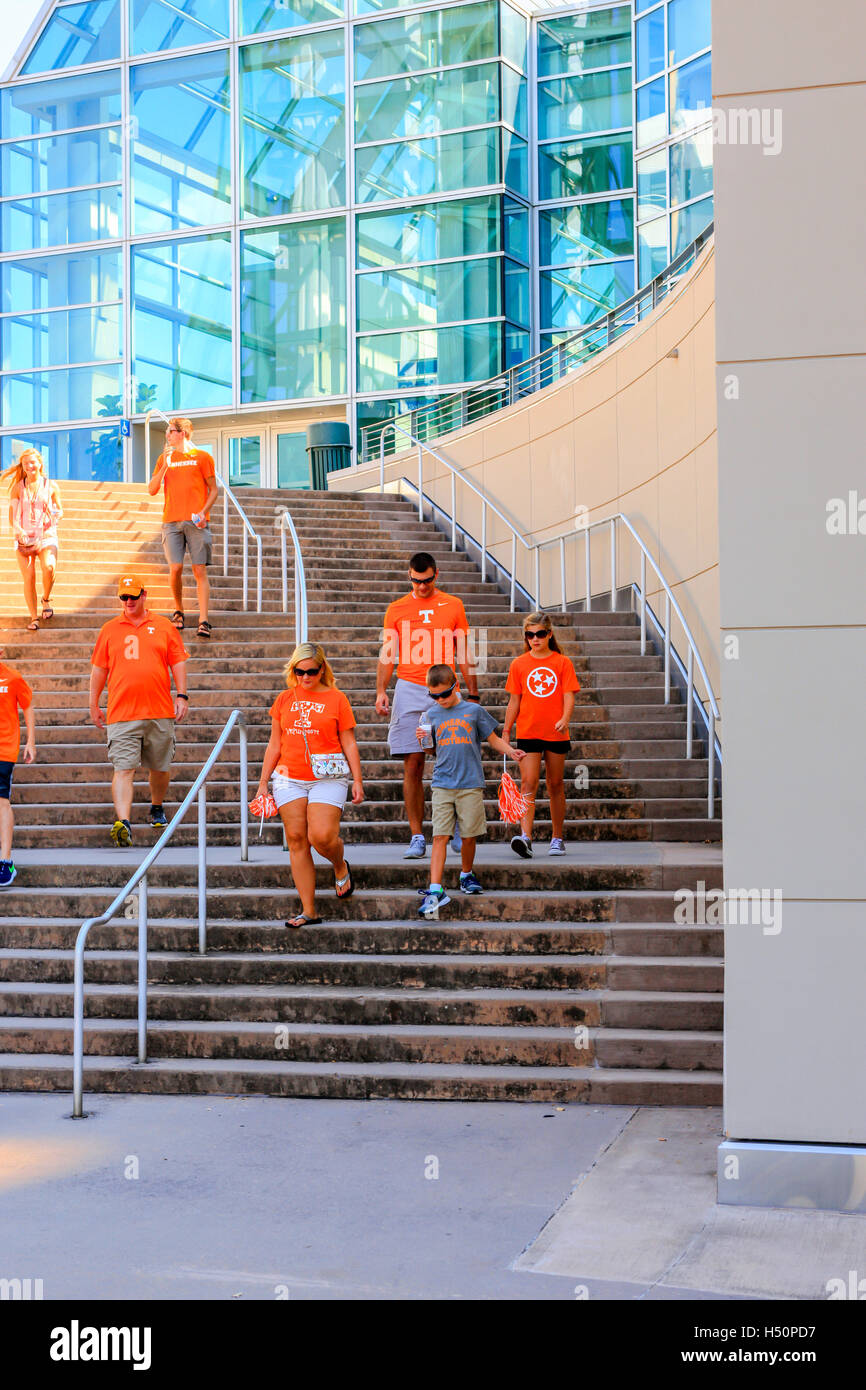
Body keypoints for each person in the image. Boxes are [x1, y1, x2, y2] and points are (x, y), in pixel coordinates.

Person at [376, 551, 479, 859]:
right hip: (409, 686)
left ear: (437, 574)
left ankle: (457, 827)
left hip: (447, 689)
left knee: (455, 759)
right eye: (416, 581)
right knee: (413, 763)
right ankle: (418, 835)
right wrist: (382, 689)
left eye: (427, 580)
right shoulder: (396, 608)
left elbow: (464, 651)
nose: (422, 586)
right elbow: (387, 652)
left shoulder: (454, 605)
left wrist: (473, 692)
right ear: (410, 576)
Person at [255, 642, 364, 929]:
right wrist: (263, 782)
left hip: (327, 777)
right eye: (299, 671)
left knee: (322, 836)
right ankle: (309, 910)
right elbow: (274, 743)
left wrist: (358, 780)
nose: (305, 677)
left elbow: (349, 742)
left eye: (311, 671)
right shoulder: (284, 699)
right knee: (296, 839)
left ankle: (339, 864)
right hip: (288, 777)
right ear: (293, 670)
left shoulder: (337, 698)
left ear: (322, 669)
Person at [416, 663, 524, 919]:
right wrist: (423, 740)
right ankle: (435, 889)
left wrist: (510, 750)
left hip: (470, 783)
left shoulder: (473, 711)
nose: (440, 700)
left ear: (456, 687)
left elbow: (492, 737)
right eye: (434, 696)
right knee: (440, 835)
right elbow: (432, 750)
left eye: (444, 694)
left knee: (468, 835)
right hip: (442, 783)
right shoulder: (431, 715)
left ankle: (466, 873)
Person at [89, 574, 190, 847]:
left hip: (159, 709)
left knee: (160, 766)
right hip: (122, 712)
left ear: (144, 595)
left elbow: (178, 661)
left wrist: (181, 695)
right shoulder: (110, 629)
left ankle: (156, 805)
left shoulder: (164, 626)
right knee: (124, 768)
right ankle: (124, 822)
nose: (129, 601)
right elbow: (99, 669)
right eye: (124, 597)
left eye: (134, 596)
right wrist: (93, 702)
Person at [502, 612, 580, 857]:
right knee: (528, 782)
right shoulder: (519, 664)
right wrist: (505, 730)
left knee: (555, 784)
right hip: (528, 731)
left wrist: (565, 718)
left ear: (549, 634)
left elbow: (569, 695)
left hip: (556, 732)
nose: (535, 639)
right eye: (530, 634)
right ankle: (525, 836)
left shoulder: (562, 662)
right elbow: (514, 700)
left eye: (540, 634)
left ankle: (557, 837)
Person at [147, 417, 218, 639]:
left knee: (199, 569)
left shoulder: (202, 457)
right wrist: (165, 467)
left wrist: (203, 513)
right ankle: (179, 609)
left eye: (171, 431)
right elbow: (151, 489)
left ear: (183, 433)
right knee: (175, 567)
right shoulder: (163, 459)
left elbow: (213, 490)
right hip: (171, 521)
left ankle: (204, 620)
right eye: (167, 432)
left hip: (196, 522)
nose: (167, 435)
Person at [2, 447, 63, 631]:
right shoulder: (18, 488)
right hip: (23, 538)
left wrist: (56, 516)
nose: (29, 466)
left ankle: (46, 598)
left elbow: (60, 509)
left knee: (49, 567)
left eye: (32, 462)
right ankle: (34, 617)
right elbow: (12, 516)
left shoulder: (51, 486)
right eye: (25, 463)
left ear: (40, 463)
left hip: (46, 535)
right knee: (28, 577)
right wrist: (18, 529)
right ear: (23, 465)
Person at [0, 646, 35, 888]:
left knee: (1, 801)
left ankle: (6, 860)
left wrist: (31, 741)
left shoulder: (13, 678)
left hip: (4, 747)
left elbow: (28, 706)